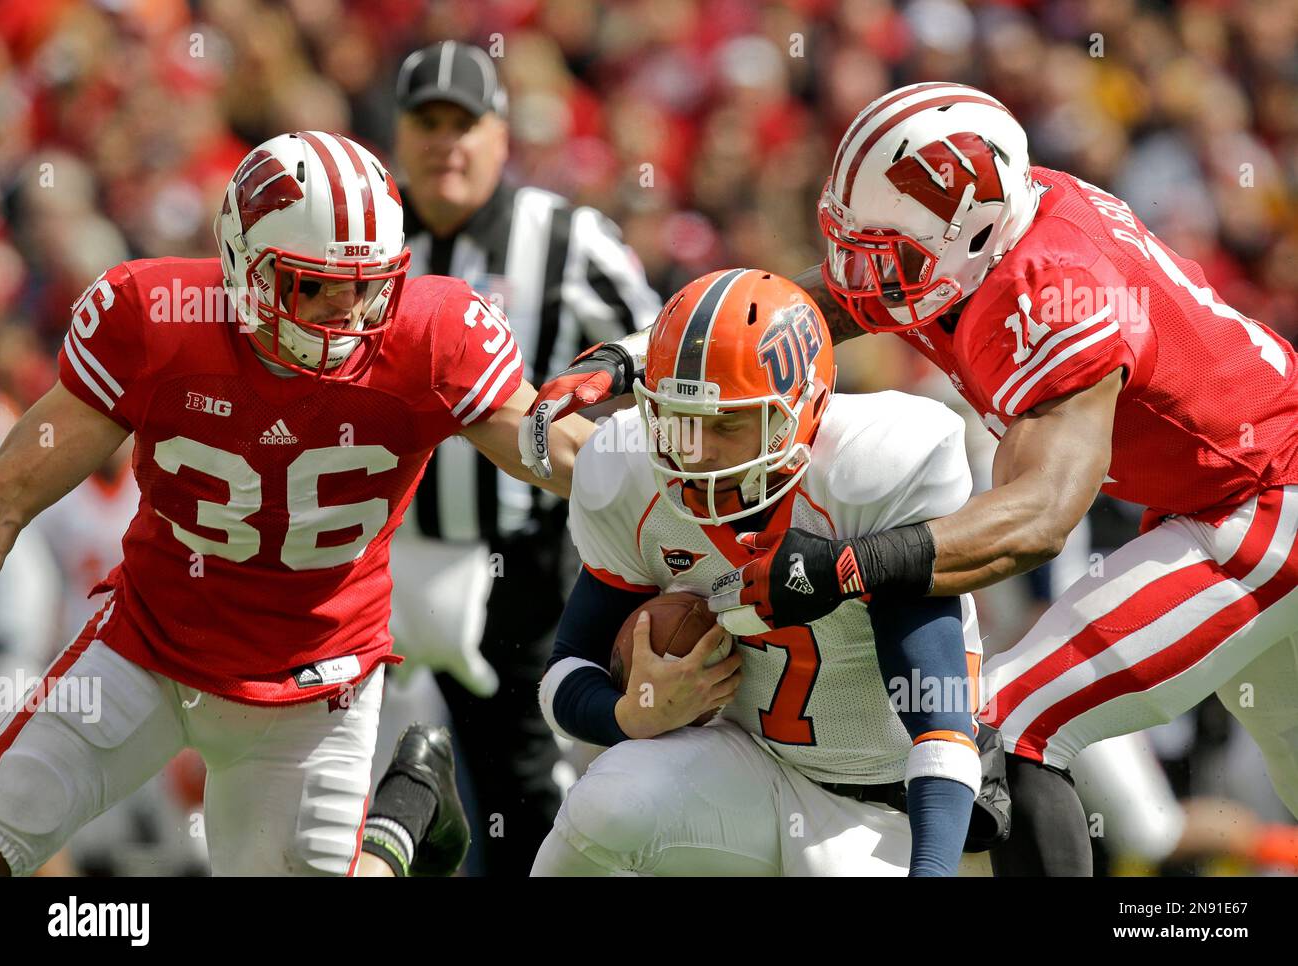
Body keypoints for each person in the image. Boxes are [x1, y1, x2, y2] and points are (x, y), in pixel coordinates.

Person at [520, 82, 1298, 876]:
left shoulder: (1051, 292)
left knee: (1012, 721)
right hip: (1226, 491)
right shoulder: (983, 241)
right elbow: (809, 310)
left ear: (977, 233)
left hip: (1262, 503)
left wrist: (847, 566)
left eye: (884, 256)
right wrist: (636, 354)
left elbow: (1041, 517)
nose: (861, 274)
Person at [0, 130, 589, 877]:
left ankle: (403, 818)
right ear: (244, 264)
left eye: (366, 283)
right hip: (147, 649)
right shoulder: (156, 316)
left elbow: (561, 456)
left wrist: (660, 454)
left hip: (317, 683)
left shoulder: (431, 332)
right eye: (314, 285)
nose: (346, 313)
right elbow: (10, 492)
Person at [532, 269, 986, 876]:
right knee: (609, 805)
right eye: (682, 422)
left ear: (808, 411)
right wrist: (627, 715)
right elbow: (566, 668)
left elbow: (942, 726)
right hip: (744, 767)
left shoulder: (873, 473)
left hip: (878, 813)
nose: (699, 452)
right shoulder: (634, 477)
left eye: (729, 424)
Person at [385, 41, 661, 876]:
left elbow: (664, 355)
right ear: (399, 137)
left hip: (521, 560)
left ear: (501, 135)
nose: (447, 144)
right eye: (427, 123)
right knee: (352, 776)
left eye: (464, 124)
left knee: (525, 787)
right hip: (375, 553)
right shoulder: (364, 241)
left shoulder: (567, 239)